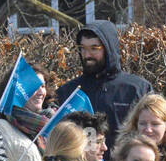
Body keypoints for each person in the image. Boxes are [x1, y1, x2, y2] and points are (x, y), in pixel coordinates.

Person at [55, 20, 153, 150]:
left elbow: (153, 132)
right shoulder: (68, 92)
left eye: (94, 48)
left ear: (109, 48)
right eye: (82, 48)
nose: (87, 55)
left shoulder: (138, 89)